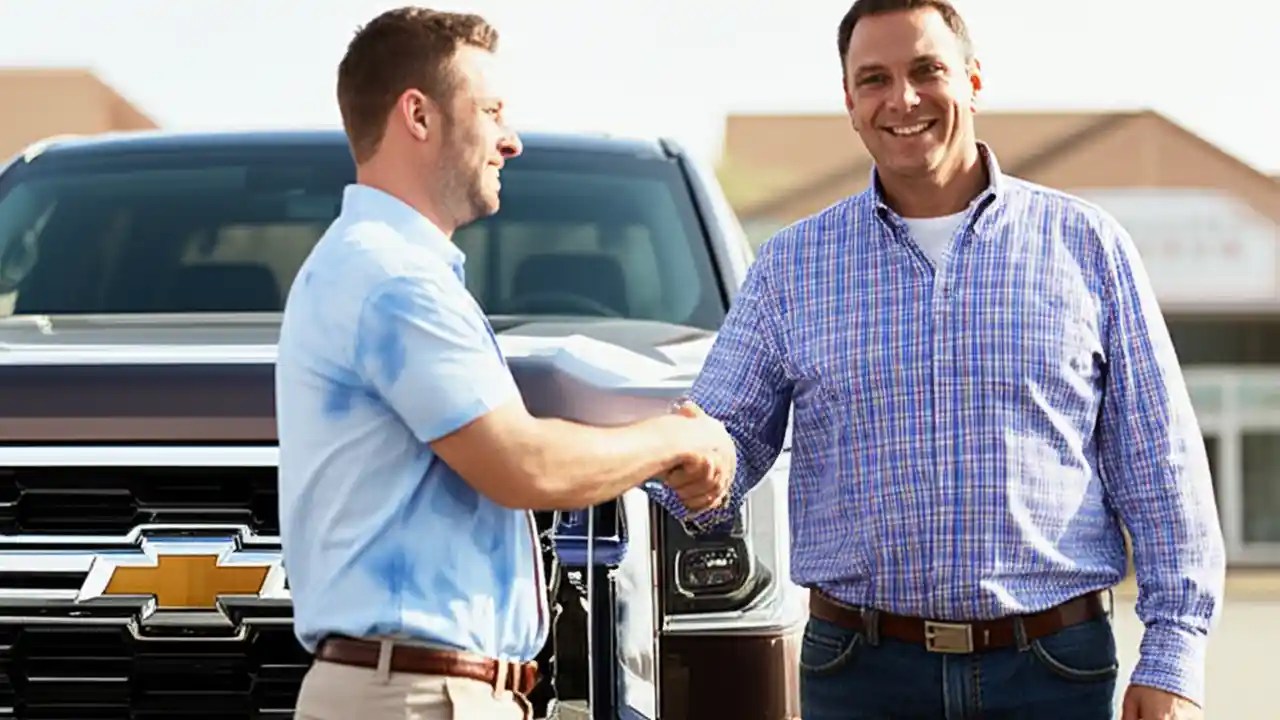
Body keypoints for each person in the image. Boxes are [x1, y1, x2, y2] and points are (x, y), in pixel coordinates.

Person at [649, 1, 1227, 718]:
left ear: (974, 80)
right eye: (875, 79)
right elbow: (725, 439)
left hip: (1053, 671)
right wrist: (690, 466)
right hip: (861, 674)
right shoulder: (790, 269)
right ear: (850, 104)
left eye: (927, 70)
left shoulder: (1086, 246)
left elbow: (1160, 462)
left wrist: (1174, 655)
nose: (904, 99)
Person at [274, 7, 734, 719]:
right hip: (418, 697)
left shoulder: (370, 266)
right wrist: (679, 438)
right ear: (417, 115)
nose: (511, 140)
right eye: (490, 110)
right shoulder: (393, 279)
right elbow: (525, 465)